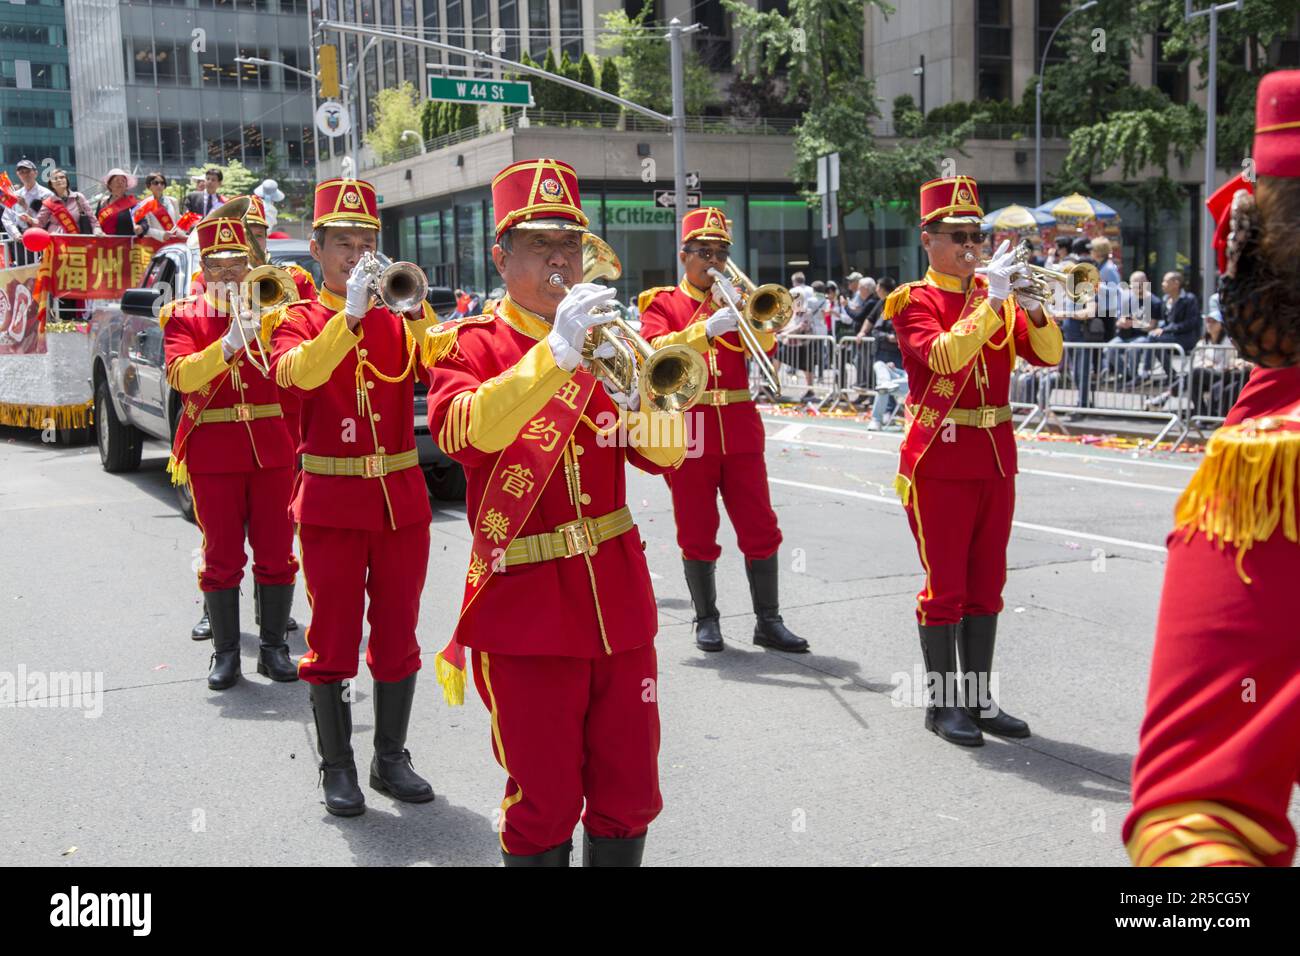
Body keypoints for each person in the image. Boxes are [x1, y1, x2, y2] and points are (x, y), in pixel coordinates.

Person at [425, 157, 687, 866]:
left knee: (630, 788)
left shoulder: (610, 342)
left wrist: (647, 400)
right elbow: (464, 433)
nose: (560, 261)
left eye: (570, 245)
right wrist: (557, 355)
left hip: (617, 598)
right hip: (527, 607)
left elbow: (666, 458)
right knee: (542, 801)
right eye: (540, 246)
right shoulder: (470, 342)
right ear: (501, 256)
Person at [1124, 69, 1300, 867]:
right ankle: (961, 696)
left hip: (983, 451)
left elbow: (1193, 822)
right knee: (954, 584)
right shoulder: (1269, 455)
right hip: (948, 449)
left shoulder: (1270, 455)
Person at [269, 178, 439, 817]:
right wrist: (349, 317)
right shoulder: (297, 318)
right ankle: (337, 764)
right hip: (332, 502)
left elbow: (443, 363)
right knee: (334, 638)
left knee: (398, 635)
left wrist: (415, 310)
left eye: (367, 242)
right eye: (344, 243)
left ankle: (390, 757)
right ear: (316, 248)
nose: (357, 254)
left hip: (400, 499)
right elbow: (296, 375)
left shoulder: (400, 316)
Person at [889, 175, 1063, 747]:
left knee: (988, 581)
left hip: (995, 456)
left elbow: (1048, 356)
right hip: (941, 458)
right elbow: (942, 356)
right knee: (947, 586)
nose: (971, 245)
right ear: (928, 239)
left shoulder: (999, 296)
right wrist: (991, 302)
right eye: (958, 235)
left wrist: (1033, 309)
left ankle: (980, 699)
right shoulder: (915, 300)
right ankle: (944, 707)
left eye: (977, 234)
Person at [638, 206, 808, 656]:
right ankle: (706, 618)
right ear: (684, 255)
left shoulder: (735, 299)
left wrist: (738, 308)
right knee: (696, 526)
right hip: (689, 426)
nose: (713, 262)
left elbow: (767, 341)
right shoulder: (661, 302)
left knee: (759, 524)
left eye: (721, 252)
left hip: (739, 425)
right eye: (704, 253)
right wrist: (703, 330)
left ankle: (768, 621)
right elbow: (653, 349)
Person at [160, 215, 299, 691]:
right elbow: (181, 375)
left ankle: (275, 648)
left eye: (237, 265)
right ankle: (225, 654)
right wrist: (227, 345)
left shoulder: (273, 306)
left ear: (249, 265)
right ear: (203, 267)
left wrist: (263, 324)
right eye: (218, 267)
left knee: (278, 552)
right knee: (221, 555)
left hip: (272, 450)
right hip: (214, 452)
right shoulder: (183, 314)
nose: (228, 276)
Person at [1144, 304, 1249, 416]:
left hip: (1222, 374)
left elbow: (1228, 363)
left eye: (1213, 321)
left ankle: (1167, 394)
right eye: (1207, 321)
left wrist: (1211, 366)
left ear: (1221, 325)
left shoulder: (1227, 342)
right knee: (1193, 377)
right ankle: (1201, 414)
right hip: (1205, 374)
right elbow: (1195, 361)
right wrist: (1205, 364)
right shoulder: (1203, 342)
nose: (1209, 324)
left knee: (1194, 374)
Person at [1100, 270, 1162, 380]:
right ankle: (1126, 375)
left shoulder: (1154, 301)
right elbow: (1118, 321)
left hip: (1142, 336)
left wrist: (1132, 324)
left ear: (1147, 282)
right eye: (1135, 284)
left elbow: (1151, 326)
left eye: (1141, 283)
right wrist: (1121, 323)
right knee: (1108, 349)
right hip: (1124, 335)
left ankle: (1134, 376)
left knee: (1133, 349)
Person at [867, 276, 906, 429]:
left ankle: (886, 412)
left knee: (890, 383)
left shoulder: (910, 311)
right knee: (883, 376)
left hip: (902, 358)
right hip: (884, 354)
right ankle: (880, 417)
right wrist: (889, 337)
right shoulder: (886, 307)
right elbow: (875, 329)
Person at [2, 159, 54, 264]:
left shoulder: (46, 194)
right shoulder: (15, 195)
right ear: (18, 175)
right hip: (21, 238)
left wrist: (26, 207)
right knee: (24, 273)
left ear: (35, 172)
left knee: (43, 269)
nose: (25, 175)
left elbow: (49, 218)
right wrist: (15, 233)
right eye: (21, 172)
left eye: (28, 171)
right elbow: (7, 217)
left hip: (41, 236)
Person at [31, 168, 100, 237]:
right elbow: (40, 223)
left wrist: (97, 228)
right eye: (55, 178)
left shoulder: (78, 197)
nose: (59, 180)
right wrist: (31, 220)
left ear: (66, 181)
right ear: (51, 184)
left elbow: (91, 218)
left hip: (76, 238)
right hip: (56, 240)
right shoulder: (49, 202)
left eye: (62, 177)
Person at [134, 172, 184, 242]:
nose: (159, 185)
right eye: (155, 183)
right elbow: (145, 228)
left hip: (173, 241)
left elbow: (178, 222)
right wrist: (161, 235)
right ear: (149, 186)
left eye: (162, 183)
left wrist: (179, 231)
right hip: (154, 242)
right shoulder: (143, 204)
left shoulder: (173, 201)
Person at [94, 169, 138, 236]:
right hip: (104, 244)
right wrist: (97, 229)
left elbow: (143, 222)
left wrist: (141, 228)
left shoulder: (132, 203)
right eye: (117, 180)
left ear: (126, 186)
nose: (120, 182)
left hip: (126, 244)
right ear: (109, 185)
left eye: (123, 181)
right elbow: (96, 222)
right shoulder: (102, 203)